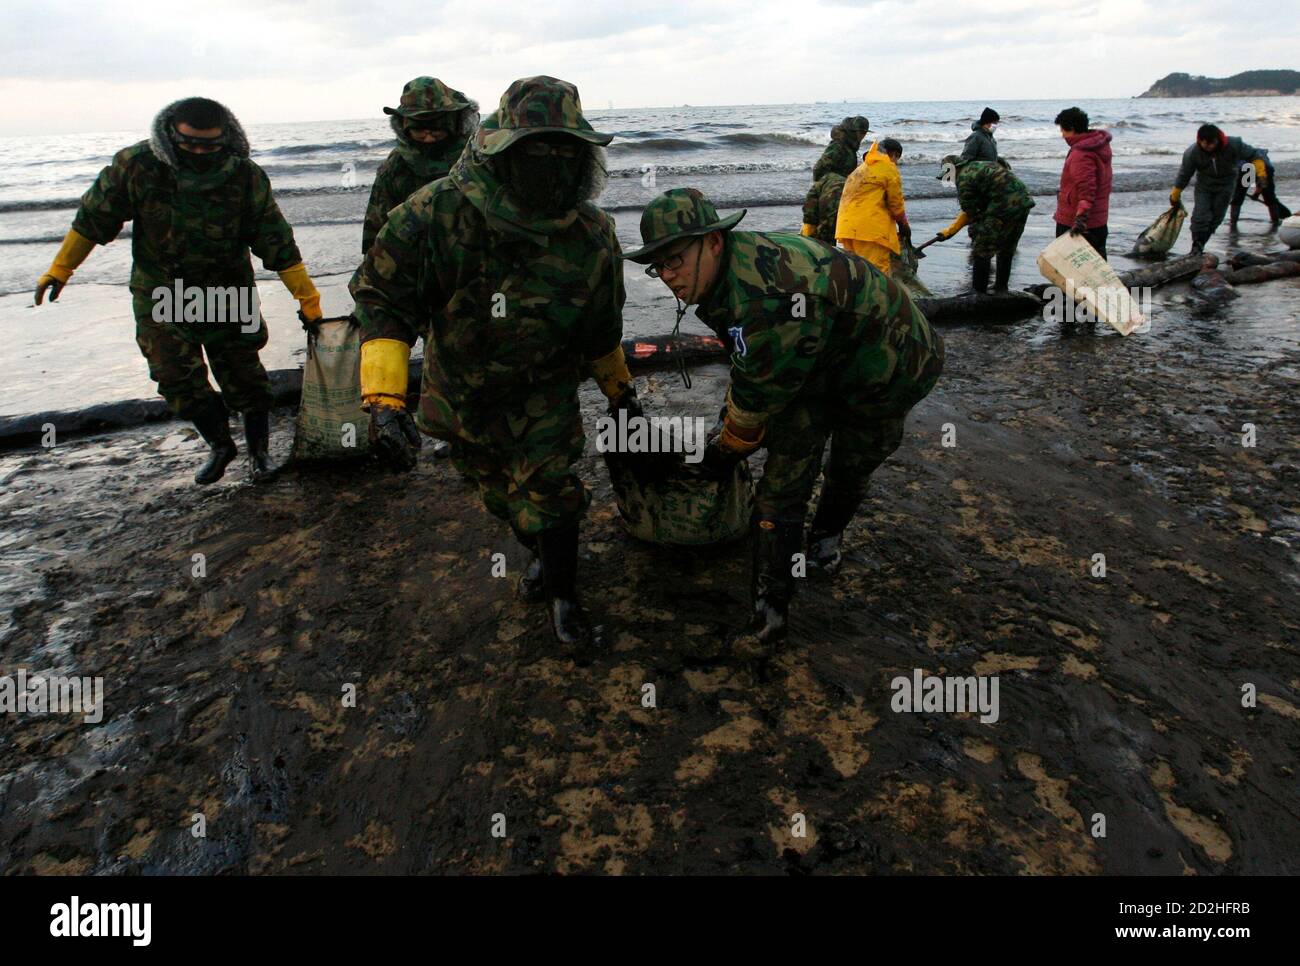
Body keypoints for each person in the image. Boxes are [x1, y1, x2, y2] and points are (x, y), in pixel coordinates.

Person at [350, 76, 639, 650]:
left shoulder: (591, 233)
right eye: (536, 148)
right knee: (496, 490)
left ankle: (564, 595)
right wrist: (383, 401)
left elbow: (602, 324)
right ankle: (536, 548)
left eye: (565, 149)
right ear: (500, 146)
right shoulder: (436, 212)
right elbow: (383, 296)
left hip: (544, 389)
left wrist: (619, 392)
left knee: (553, 492)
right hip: (461, 389)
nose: (552, 161)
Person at [624, 188, 944, 656]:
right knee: (787, 470)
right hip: (816, 355)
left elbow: (755, 400)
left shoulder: (767, 298)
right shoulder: (727, 271)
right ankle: (777, 598)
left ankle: (809, 564)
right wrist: (730, 429)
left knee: (850, 460)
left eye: (675, 260)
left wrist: (720, 452)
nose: (669, 277)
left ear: (714, 241)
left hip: (894, 363)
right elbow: (749, 363)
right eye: (659, 266)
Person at [34, 96, 323, 484]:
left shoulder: (243, 175)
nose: (199, 152)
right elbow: (94, 219)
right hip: (162, 293)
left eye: (210, 145)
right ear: (170, 134)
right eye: (190, 143)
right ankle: (220, 445)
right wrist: (60, 269)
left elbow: (275, 240)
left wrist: (307, 298)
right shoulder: (137, 166)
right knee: (175, 377)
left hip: (226, 293)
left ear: (227, 137)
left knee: (245, 379)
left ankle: (259, 454)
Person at [361, 76, 479, 254]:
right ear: (404, 127)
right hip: (416, 262)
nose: (429, 138)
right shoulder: (396, 166)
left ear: (456, 124)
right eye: (419, 130)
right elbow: (376, 228)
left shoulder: (478, 157)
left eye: (438, 129)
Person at [931, 154, 1035, 294]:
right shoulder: (979, 165)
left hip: (1002, 205)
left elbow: (971, 213)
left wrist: (975, 233)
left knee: (982, 248)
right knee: (1007, 247)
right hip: (1024, 201)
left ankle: (978, 291)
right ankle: (1001, 287)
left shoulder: (963, 178)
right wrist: (951, 230)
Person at [1170, 124, 1270, 253]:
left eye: (1212, 143)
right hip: (1204, 186)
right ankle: (1196, 246)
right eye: (1205, 144)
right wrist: (1176, 192)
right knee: (1200, 216)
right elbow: (1185, 174)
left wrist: (1261, 175)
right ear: (1199, 140)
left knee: (1217, 217)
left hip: (1226, 185)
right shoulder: (1192, 152)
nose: (1209, 147)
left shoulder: (1234, 144)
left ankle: (1201, 243)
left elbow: (1255, 155)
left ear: (1218, 139)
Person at [835, 138, 910, 276]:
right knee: (877, 274)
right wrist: (904, 224)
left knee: (855, 273)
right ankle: (877, 298)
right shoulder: (888, 168)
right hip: (871, 231)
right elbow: (895, 203)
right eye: (897, 158)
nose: (896, 163)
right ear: (893, 154)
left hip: (846, 229)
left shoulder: (861, 169)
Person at [1053, 107, 1113, 259]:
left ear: (1072, 129)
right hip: (1098, 220)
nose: (1062, 135)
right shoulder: (1097, 146)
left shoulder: (1082, 153)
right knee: (1097, 267)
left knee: (1072, 268)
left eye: (1063, 130)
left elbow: (1086, 191)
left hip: (1077, 221)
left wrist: (1080, 221)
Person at [1229, 149, 1291, 231]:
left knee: (1238, 197)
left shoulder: (1240, 157)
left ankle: (1233, 222)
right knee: (1269, 198)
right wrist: (1256, 194)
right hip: (1255, 169)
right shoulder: (1261, 158)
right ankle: (1275, 221)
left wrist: (1256, 194)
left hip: (1247, 169)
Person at [812, 116, 870, 182]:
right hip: (833, 187)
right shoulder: (838, 146)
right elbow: (818, 171)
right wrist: (839, 181)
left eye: (865, 133)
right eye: (862, 132)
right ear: (853, 131)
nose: (863, 136)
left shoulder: (850, 146)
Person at [800, 172, 845, 245]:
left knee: (823, 242)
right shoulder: (855, 175)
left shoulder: (821, 182)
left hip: (829, 212)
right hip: (850, 218)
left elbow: (810, 211)